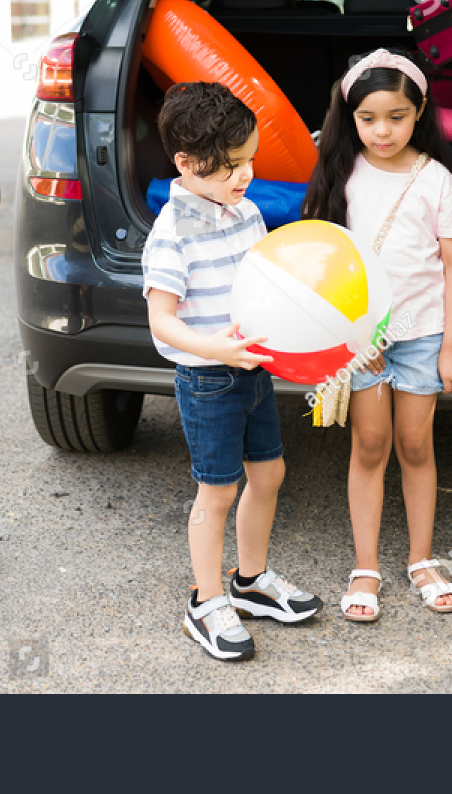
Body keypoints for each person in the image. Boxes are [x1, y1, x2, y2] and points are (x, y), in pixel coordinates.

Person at [142, 82, 323, 661]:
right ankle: (207, 599)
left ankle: (250, 579)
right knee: (216, 491)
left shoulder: (244, 212)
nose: (245, 176)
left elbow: (264, 284)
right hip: (208, 379)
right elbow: (162, 323)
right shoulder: (170, 234)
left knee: (268, 477)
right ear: (187, 164)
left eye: (249, 161)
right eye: (230, 167)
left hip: (252, 371)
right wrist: (213, 348)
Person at [302, 51, 452, 623]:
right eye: (368, 118)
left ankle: (421, 560)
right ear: (350, 118)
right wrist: (348, 334)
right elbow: (325, 262)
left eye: (396, 117)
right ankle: (366, 565)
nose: (382, 131)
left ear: (419, 111)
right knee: (369, 446)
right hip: (364, 341)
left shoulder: (436, 181)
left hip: (423, 337)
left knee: (416, 446)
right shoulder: (341, 175)